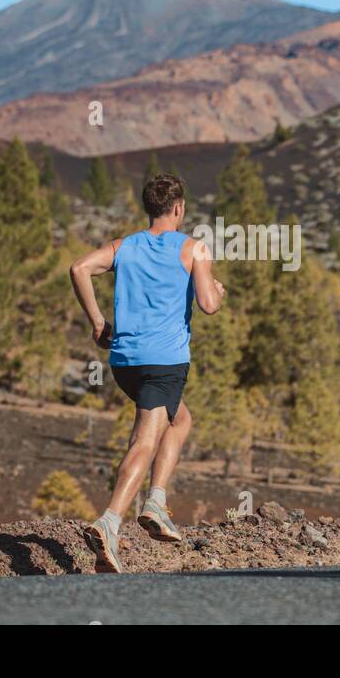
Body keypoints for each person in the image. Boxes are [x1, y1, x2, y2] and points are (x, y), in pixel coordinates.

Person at [68, 173, 226, 572]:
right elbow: (208, 305)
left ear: (149, 208)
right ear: (179, 208)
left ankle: (156, 501)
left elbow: (79, 268)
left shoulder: (125, 247)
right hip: (164, 363)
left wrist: (97, 323)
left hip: (125, 362)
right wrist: (218, 291)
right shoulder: (193, 248)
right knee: (144, 440)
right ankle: (110, 521)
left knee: (181, 420)